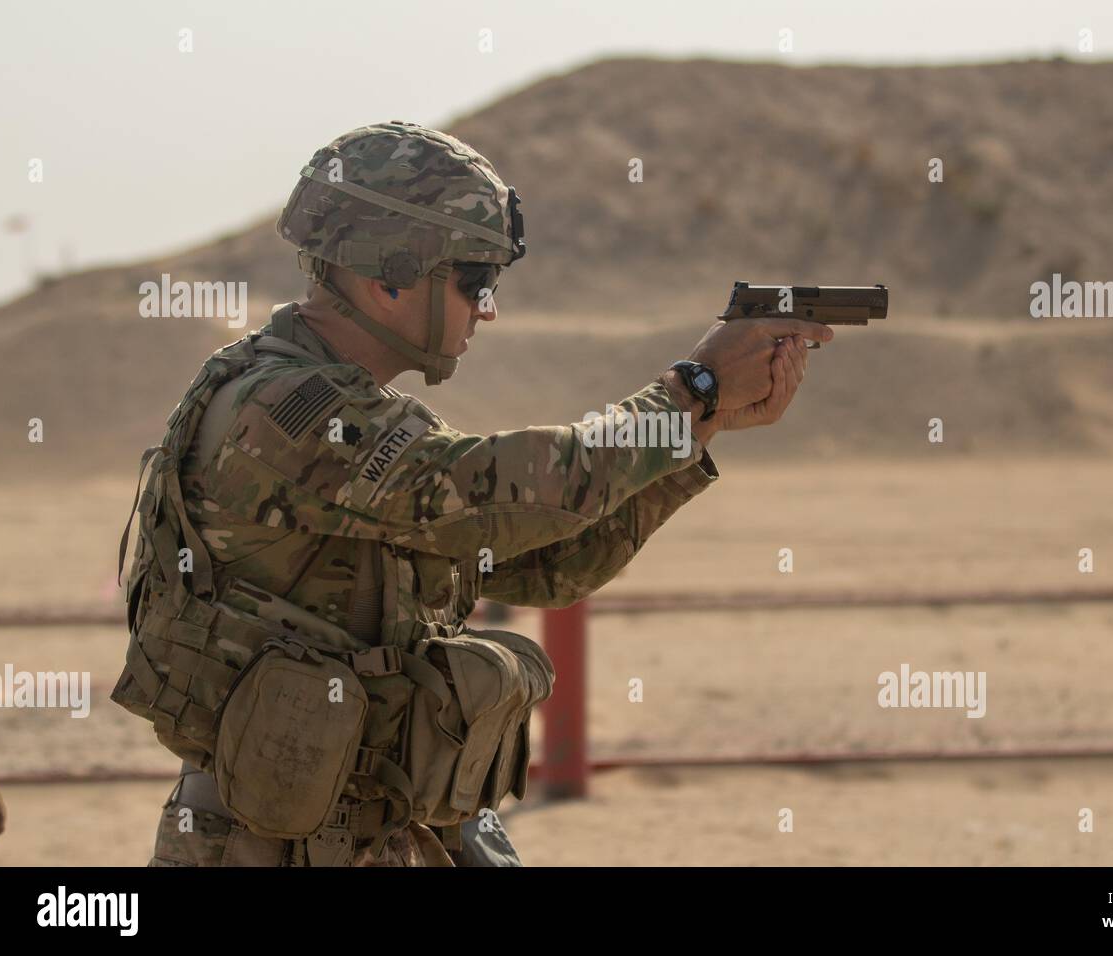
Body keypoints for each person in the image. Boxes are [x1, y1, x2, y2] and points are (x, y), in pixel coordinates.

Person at [114, 122, 829, 867]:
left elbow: (552, 563)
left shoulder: (363, 421)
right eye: (473, 282)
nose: (486, 310)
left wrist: (698, 433)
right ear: (389, 274)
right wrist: (692, 392)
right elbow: (520, 489)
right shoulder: (286, 414)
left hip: (376, 829)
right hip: (270, 843)